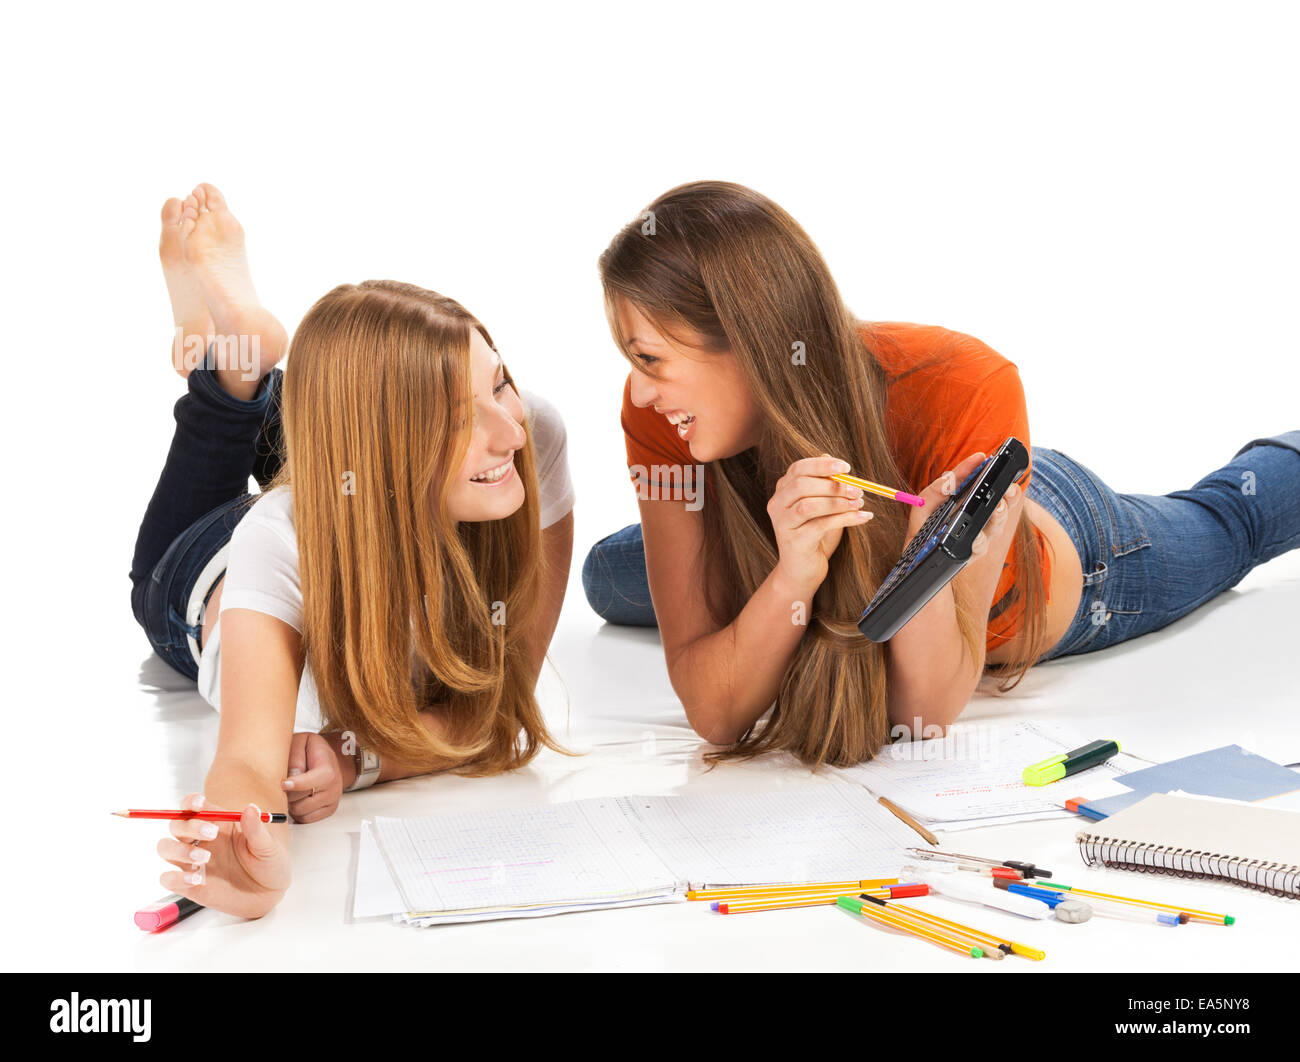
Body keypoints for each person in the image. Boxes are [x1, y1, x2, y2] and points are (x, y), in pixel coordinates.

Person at [581, 180, 1300, 767]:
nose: (639, 393)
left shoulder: (963, 380)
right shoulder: (661, 419)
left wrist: (928, 557)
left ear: (749, 342)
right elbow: (716, 712)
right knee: (607, 576)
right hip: (805, 535)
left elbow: (921, 714)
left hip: (1058, 546)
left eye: (650, 360)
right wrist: (792, 577)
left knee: (1228, 519)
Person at [130, 184, 575, 917]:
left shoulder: (533, 441)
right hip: (203, 574)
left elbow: (506, 701)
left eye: (501, 383)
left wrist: (357, 759)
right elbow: (246, 758)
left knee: (333, 413)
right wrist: (241, 852)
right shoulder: (277, 538)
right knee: (154, 569)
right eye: (463, 418)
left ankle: (234, 359)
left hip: (351, 491)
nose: (511, 431)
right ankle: (230, 376)